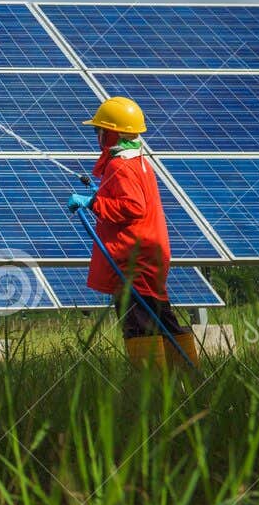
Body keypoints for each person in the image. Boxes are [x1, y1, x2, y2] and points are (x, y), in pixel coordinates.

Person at [68, 96, 189, 366]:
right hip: (149, 253)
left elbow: (132, 206)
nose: (96, 135)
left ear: (111, 133)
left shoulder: (119, 164)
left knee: (138, 323)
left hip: (133, 257)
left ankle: (150, 385)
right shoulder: (139, 162)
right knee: (160, 315)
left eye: (98, 130)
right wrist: (101, 196)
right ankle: (186, 374)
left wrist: (92, 202)